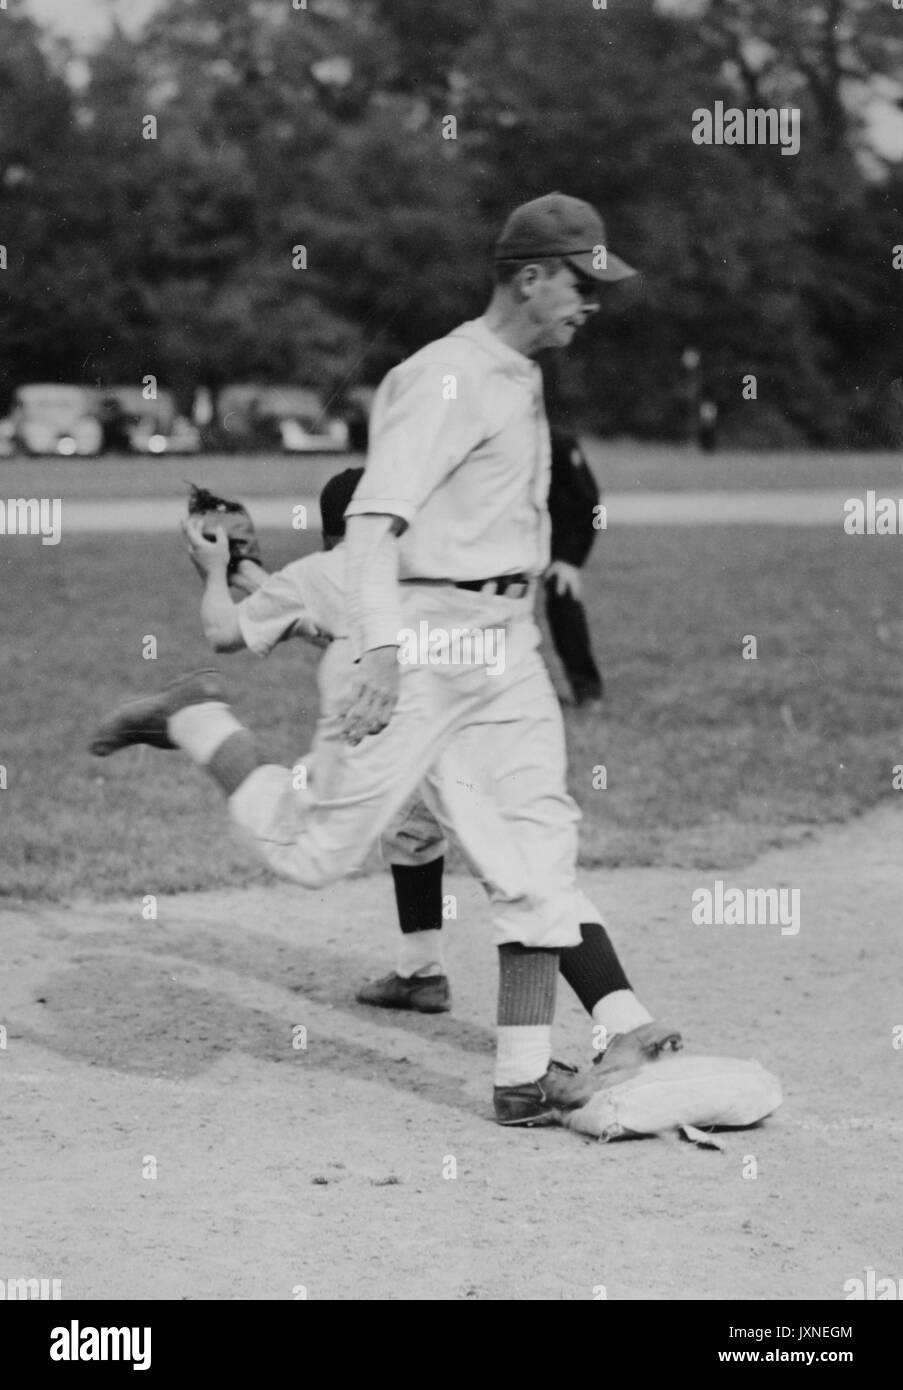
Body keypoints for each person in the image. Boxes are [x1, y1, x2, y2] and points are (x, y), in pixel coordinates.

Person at [91, 192, 680, 1127]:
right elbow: (370, 526)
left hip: (506, 642)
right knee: (309, 850)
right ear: (528, 278)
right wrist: (381, 654)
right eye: (579, 282)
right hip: (424, 637)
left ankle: (523, 1076)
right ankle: (195, 718)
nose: (590, 302)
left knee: (535, 857)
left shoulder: (521, 370)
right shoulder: (442, 376)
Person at [544, 429, 604, 709]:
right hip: (505, 545)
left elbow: (590, 504)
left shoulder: (555, 441)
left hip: (552, 547)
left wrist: (569, 559)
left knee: (563, 598)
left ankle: (587, 690)